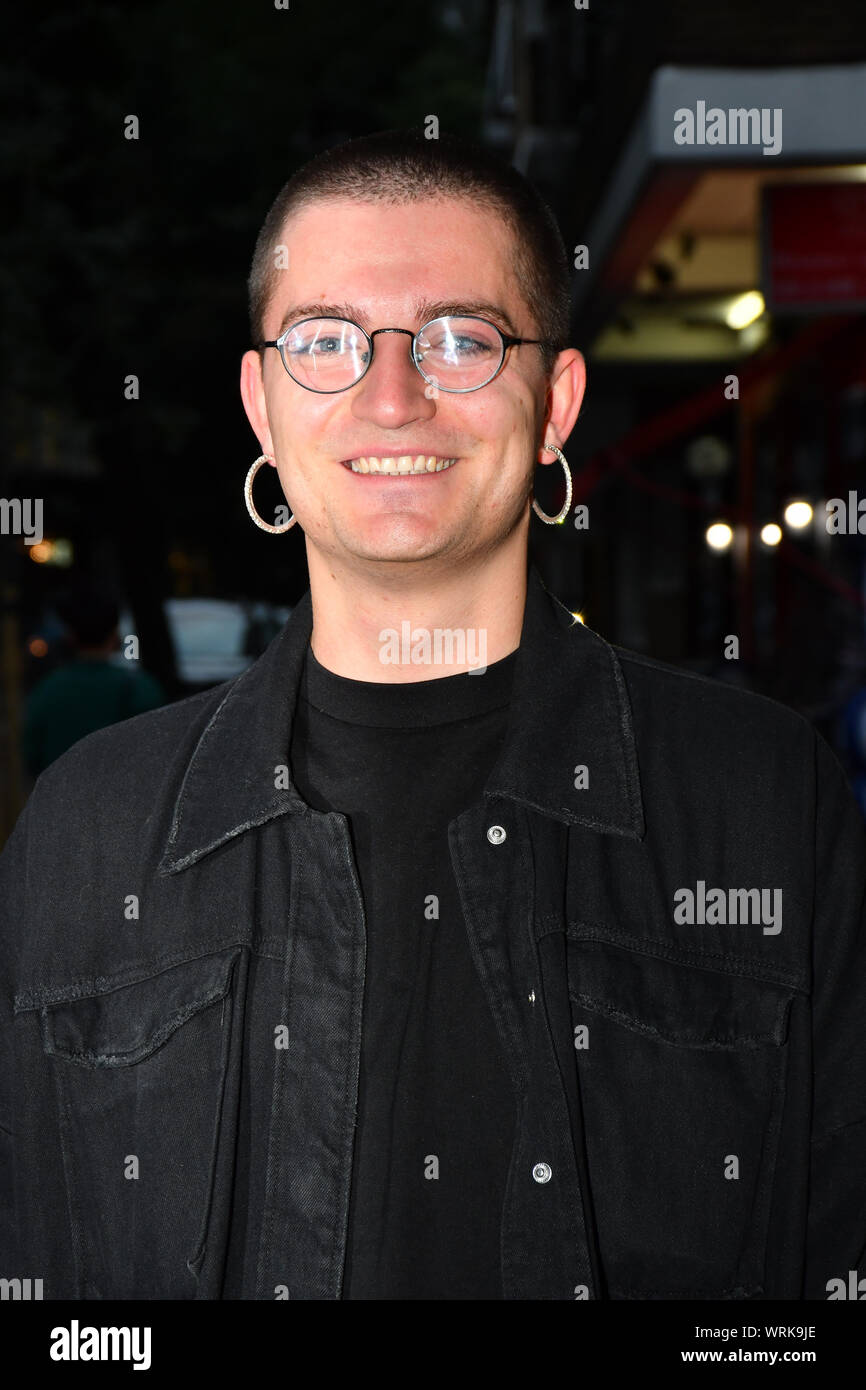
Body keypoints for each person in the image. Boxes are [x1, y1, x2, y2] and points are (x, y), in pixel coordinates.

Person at [0, 130, 864, 1302]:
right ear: (262, 406)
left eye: (460, 339)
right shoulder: (83, 830)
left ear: (552, 403)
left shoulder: (764, 798)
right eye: (326, 342)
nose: (391, 395)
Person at [22, 586, 165, 777]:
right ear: (115, 635)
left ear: (69, 636)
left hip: (63, 800)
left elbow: (32, 757)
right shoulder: (140, 687)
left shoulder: (47, 690)